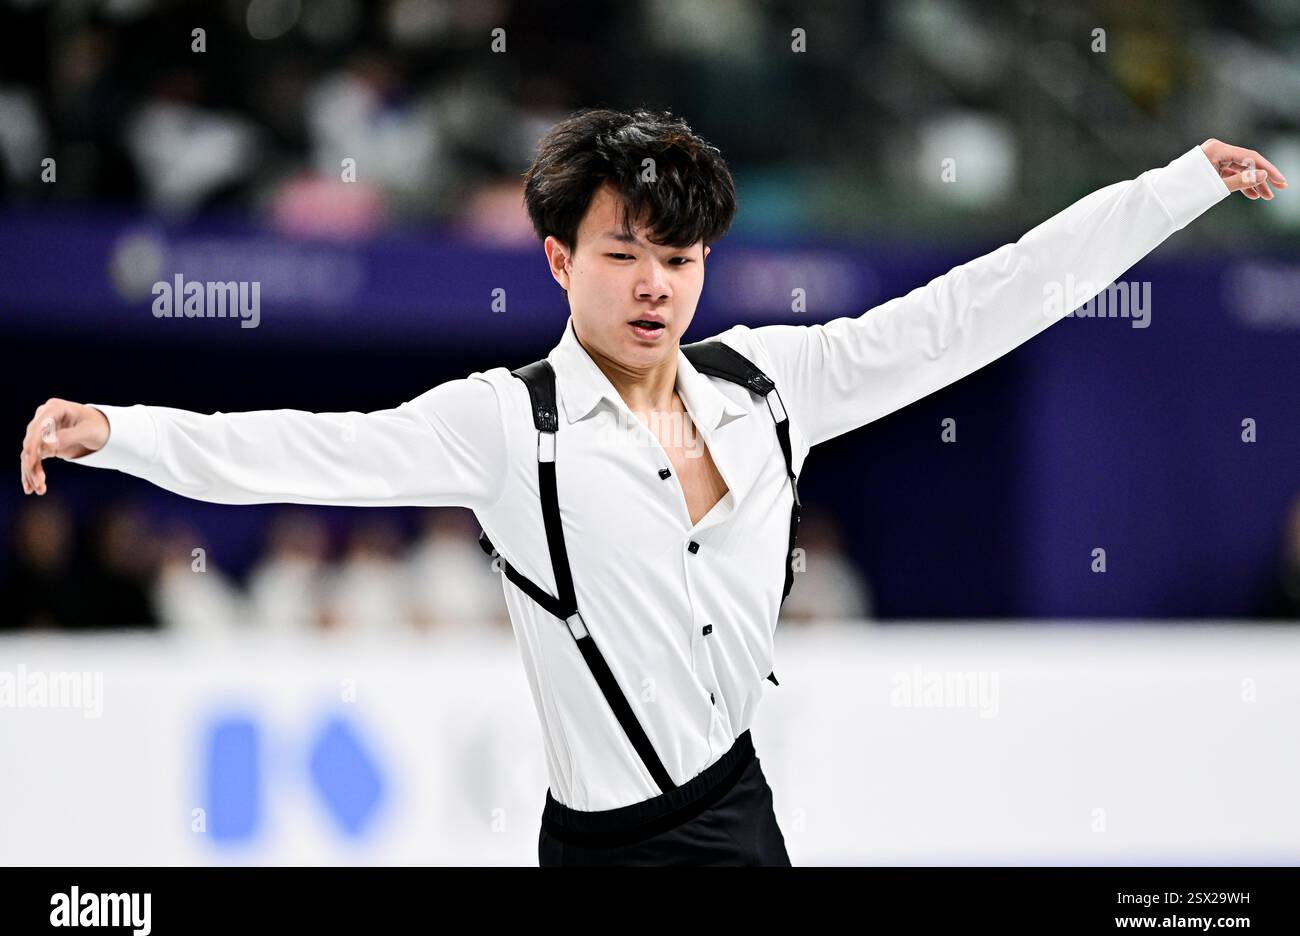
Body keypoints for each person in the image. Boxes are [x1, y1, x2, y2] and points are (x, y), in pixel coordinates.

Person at [17, 108, 1285, 866]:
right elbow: (305, 446)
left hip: (735, 816)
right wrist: (120, 430)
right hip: (599, 849)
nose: (652, 284)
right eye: (622, 252)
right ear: (563, 259)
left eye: (675, 256)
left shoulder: (779, 383)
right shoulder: (505, 426)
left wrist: (1169, 190)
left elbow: (979, 306)